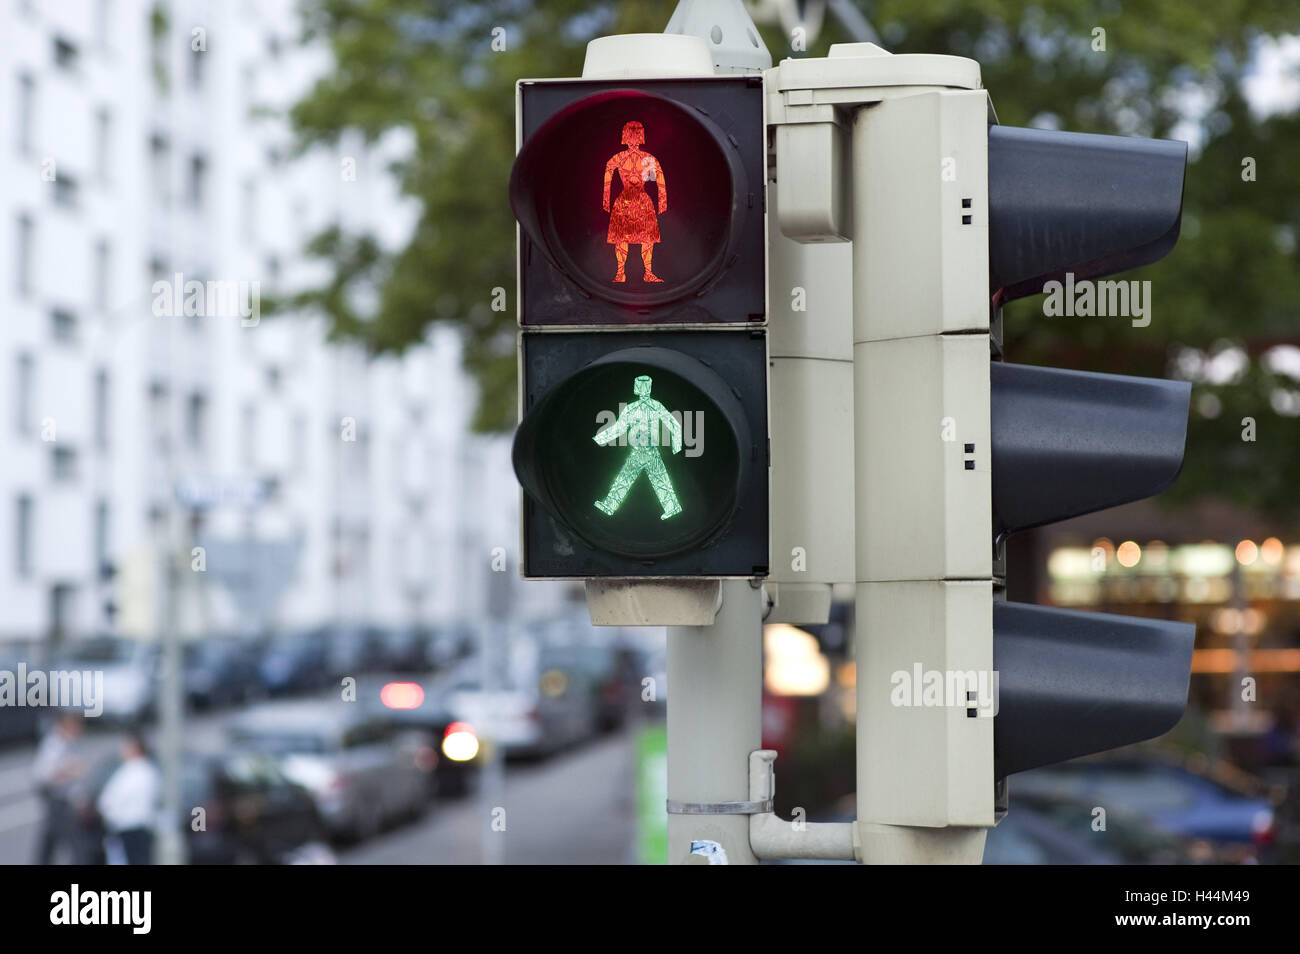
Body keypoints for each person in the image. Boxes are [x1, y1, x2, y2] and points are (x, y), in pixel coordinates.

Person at [602, 120, 668, 283]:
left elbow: (658, 179)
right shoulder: (620, 158)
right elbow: (607, 179)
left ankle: (648, 272)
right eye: (630, 133)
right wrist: (605, 200)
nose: (633, 137)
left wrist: (662, 201)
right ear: (625, 135)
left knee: (647, 239)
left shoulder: (647, 159)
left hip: (641, 201)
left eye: (636, 132)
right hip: (624, 202)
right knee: (621, 239)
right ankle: (620, 273)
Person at [96, 732, 161, 865]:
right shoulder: (151, 771)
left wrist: (109, 814)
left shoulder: (130, 771)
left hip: (126, 827)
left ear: (135, 748)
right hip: (143, 827)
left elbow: (109, 801)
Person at [32, 712, 85, 864]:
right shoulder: (54, 746)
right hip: (57, 799)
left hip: (65, 799)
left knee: (50, 839)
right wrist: (68, 770)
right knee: (75, 841)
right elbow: (43, 776)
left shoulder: (69, 744)